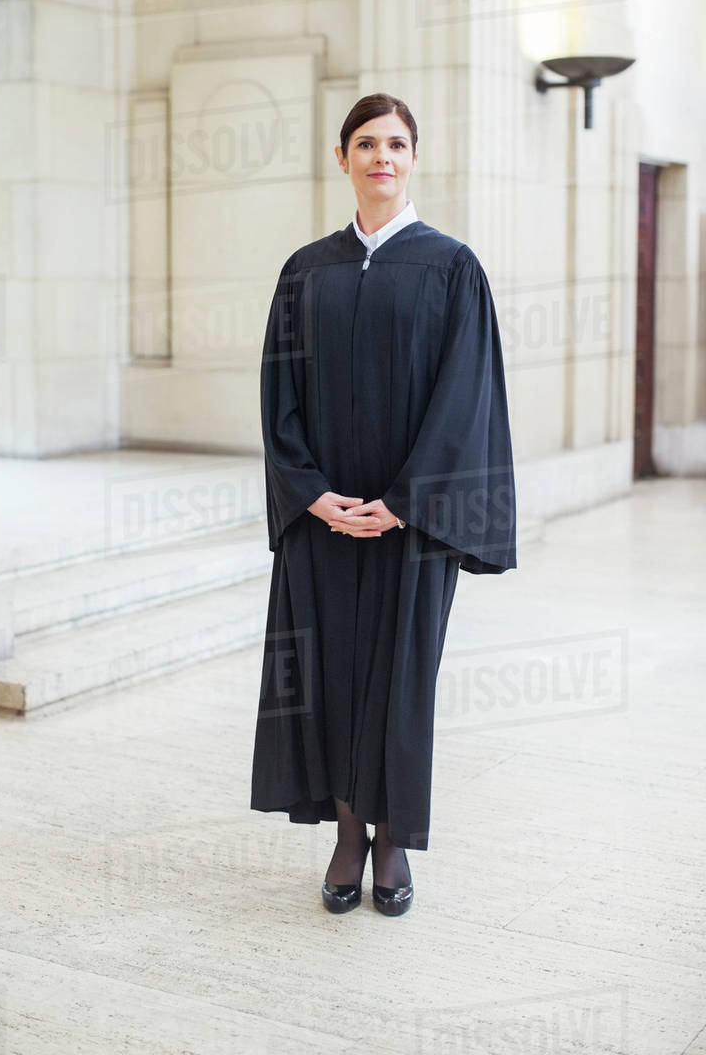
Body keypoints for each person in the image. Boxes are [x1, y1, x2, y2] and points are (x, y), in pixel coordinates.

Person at [250, 92, 516, 916]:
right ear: (343, 159)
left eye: (396, 143)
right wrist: (309, 493)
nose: (381, 158)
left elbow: (465, 398)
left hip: (411, 524)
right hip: (324, 520)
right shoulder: (306, 270)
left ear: (413, 157)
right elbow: (278, 393)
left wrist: (405, 502)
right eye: (366, 144)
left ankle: (392, 839)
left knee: (398, 680)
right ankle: (345, 832)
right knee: (327, 674)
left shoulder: (450, 267)